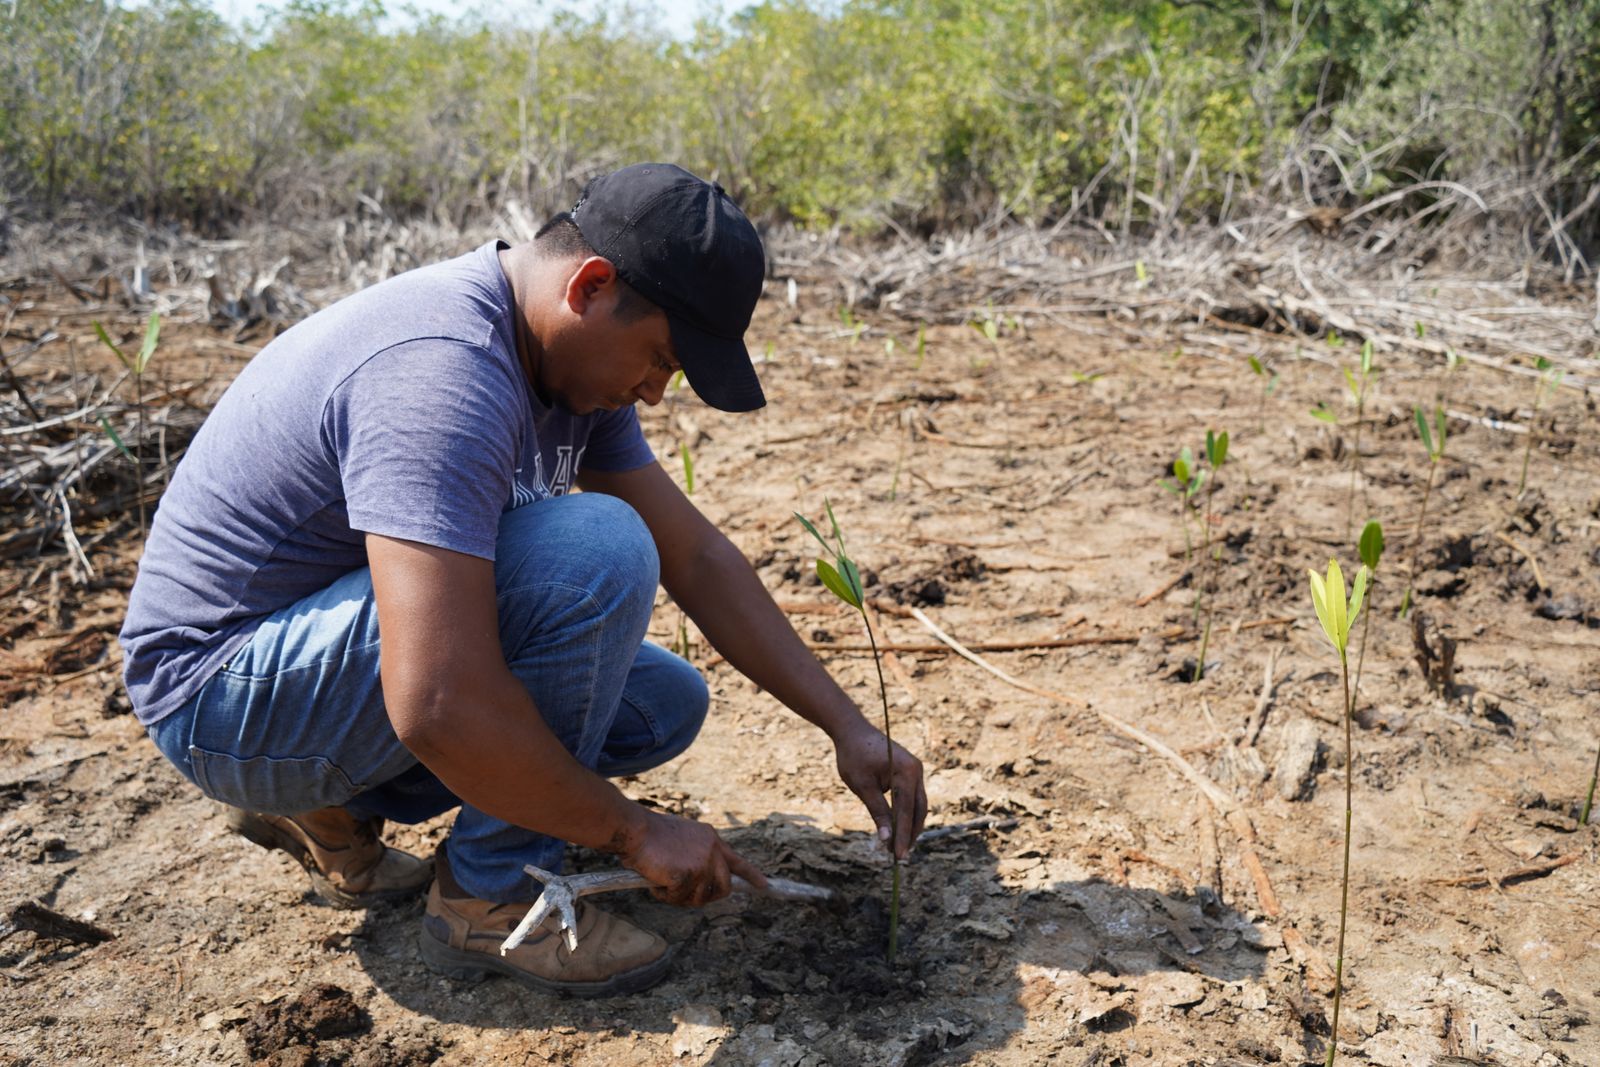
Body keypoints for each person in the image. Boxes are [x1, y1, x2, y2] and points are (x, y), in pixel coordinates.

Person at [119, 163, 927, 998]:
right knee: (597, 549)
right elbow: (435, 701)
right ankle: (489, 895)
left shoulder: (569, 368)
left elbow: (695, 555)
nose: (654, 391)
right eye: (658, 358)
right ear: (591, 284)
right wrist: (631, 830)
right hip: (218, 692)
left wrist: (847, 726)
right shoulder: (444, 370)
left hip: (311, 661)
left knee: (660, 704)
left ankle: (330, 802)